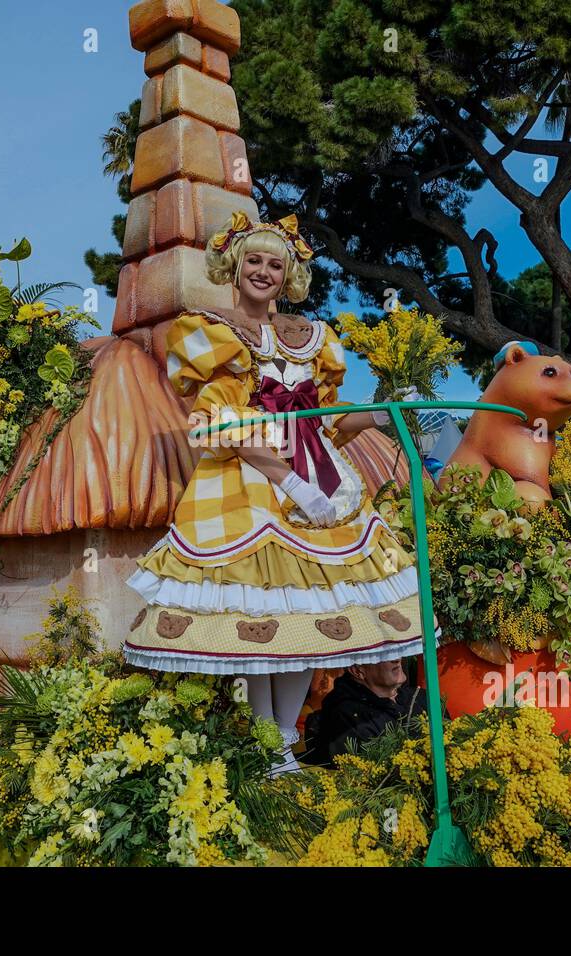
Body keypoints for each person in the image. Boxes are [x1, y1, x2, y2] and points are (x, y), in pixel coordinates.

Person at [121, 213, 425, 775]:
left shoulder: (314, 340)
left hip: (325, 489)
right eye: (254, 261)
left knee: (307, 625)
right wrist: (288, 481)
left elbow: (330, 423)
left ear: (289, 276)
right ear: (234, 267)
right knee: (262, 624)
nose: (263, 271)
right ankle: (268, 746)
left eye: (274, 264)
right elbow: (214, 425)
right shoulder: (210, 332)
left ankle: (286, 740)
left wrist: (383, 408)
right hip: (251, 488)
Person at [303, 659, 427, 765]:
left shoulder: (421, 697)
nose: (396, 659)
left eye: (394, 650)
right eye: (383, 654)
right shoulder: (348, 718)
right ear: (357, 671)